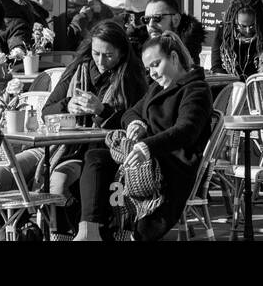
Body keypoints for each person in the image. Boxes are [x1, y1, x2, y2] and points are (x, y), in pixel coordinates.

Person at [0, 19, 149, 240]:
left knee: (57, 182)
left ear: (121, 53)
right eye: (96, 53)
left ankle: (45, 232)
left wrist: (102, 110)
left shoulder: (130, 78)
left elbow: (132, 121)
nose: (100, 60)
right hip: (53, 145)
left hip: (86, 151)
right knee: (0, 176)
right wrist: (68, 104)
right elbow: (48, 110)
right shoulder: (78, 68)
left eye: (108, 55)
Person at [74, 32, 213, 241]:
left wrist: (146, 146)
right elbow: (131, 112)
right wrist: (136, 123)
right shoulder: (157, 88)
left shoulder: (196, 90)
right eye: (148, 68)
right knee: (95, 157)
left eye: (156, 65)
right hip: (144, 160)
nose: (153, 73)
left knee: (102, 168)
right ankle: (89, 231)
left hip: (172, 167)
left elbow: (186, 130)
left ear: (174, 58)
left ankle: (111, 231)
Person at [142, 0, 205, 64]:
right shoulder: (136, 51)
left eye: (157, 18)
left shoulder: (187, 52)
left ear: (176, 20)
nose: (151, 24)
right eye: (146, 19)